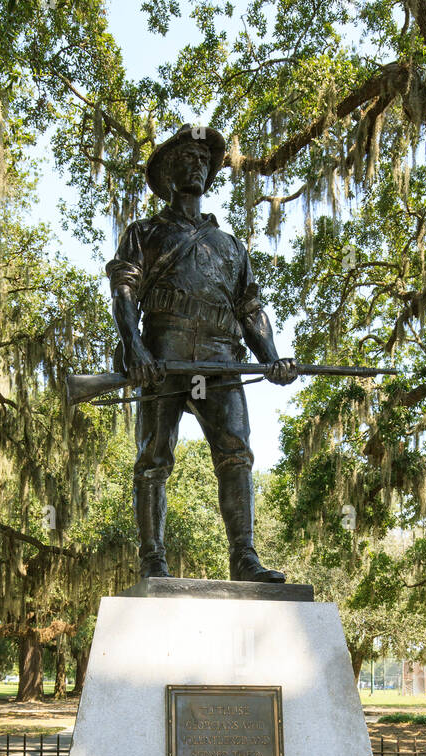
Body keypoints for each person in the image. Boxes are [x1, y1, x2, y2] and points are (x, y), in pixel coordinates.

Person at [105, 123, 297, 582]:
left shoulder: (230, 246)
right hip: (163, 357)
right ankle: (153, 559)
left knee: (236, 454)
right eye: (187, 158)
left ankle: (244, 557)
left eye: (203, 159)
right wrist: (134, 348)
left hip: (220, 359)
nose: (197, 164)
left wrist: (272, 355)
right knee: (153, 458)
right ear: (169, 172)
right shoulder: (145, 232)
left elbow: (250, 309)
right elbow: (125, 290)